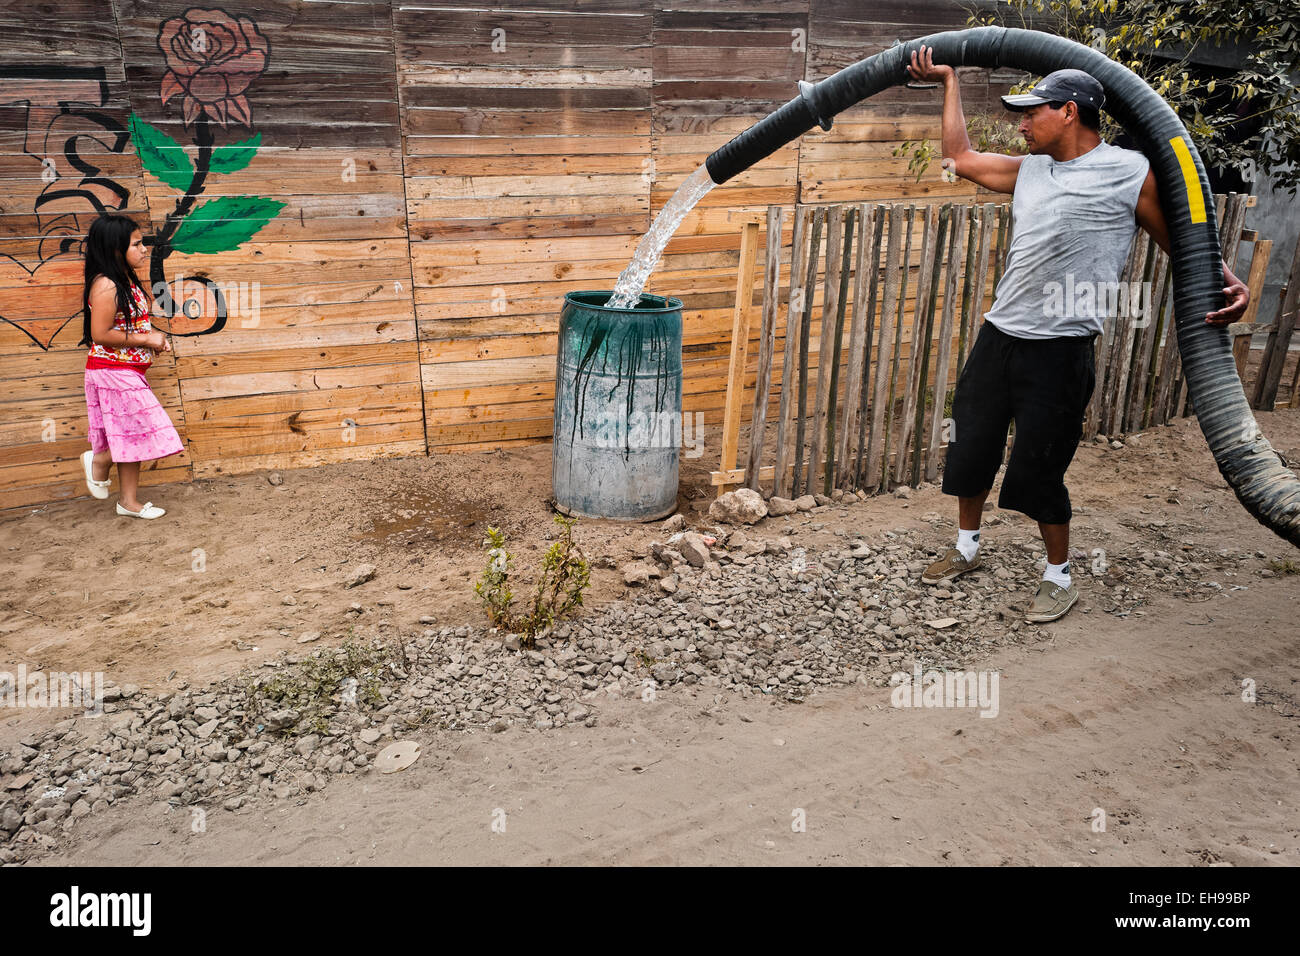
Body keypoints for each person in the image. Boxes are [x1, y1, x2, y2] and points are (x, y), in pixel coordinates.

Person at [905, 46, 1249, 622]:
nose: (1021, 124)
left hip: (1062, 350)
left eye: (1030, 112)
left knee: (1040, 466)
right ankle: (966, 547)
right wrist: (948, 80)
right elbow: (958, 157)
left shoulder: (1130, 172)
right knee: (970, 448)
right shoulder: (1030, 170)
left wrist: (1229, 280)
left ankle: (1059, 577)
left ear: (1068, 111)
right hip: (1000, 336)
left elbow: (1183, 242)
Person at [79, 214, 185, 519]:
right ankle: (99, 461)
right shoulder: (106, 285)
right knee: (141, 428)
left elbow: (130, 325)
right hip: (111, 373)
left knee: (130, 432)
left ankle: (128, 502)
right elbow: (100, 333)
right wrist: (147, 339)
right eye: (136, 244)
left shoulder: (125, 280)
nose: (144, 250)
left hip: (127, 370)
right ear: (115, 249)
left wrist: (152, 340)